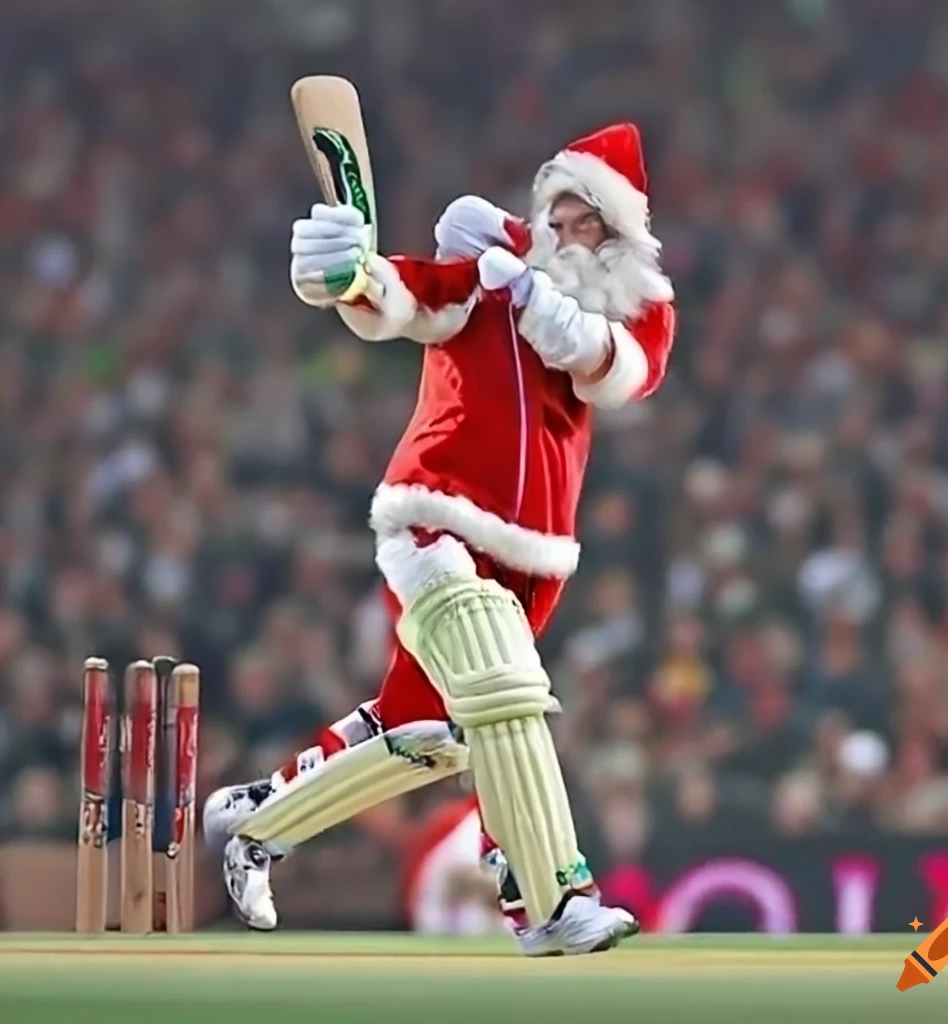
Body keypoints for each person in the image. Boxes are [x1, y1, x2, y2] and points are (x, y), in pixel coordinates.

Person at [204, 122, 675, 955]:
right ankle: (552, 898)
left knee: (431, 735)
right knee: (506, 692)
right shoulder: (488, 282)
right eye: (554, 220)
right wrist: (344, 274)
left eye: (583, 222)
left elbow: (609, 365)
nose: (561, 236)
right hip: (435, 517)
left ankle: (255, 822)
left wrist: (533, 295)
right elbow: (404, 300)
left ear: (619, 228)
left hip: (536, 556)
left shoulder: (630, 306)